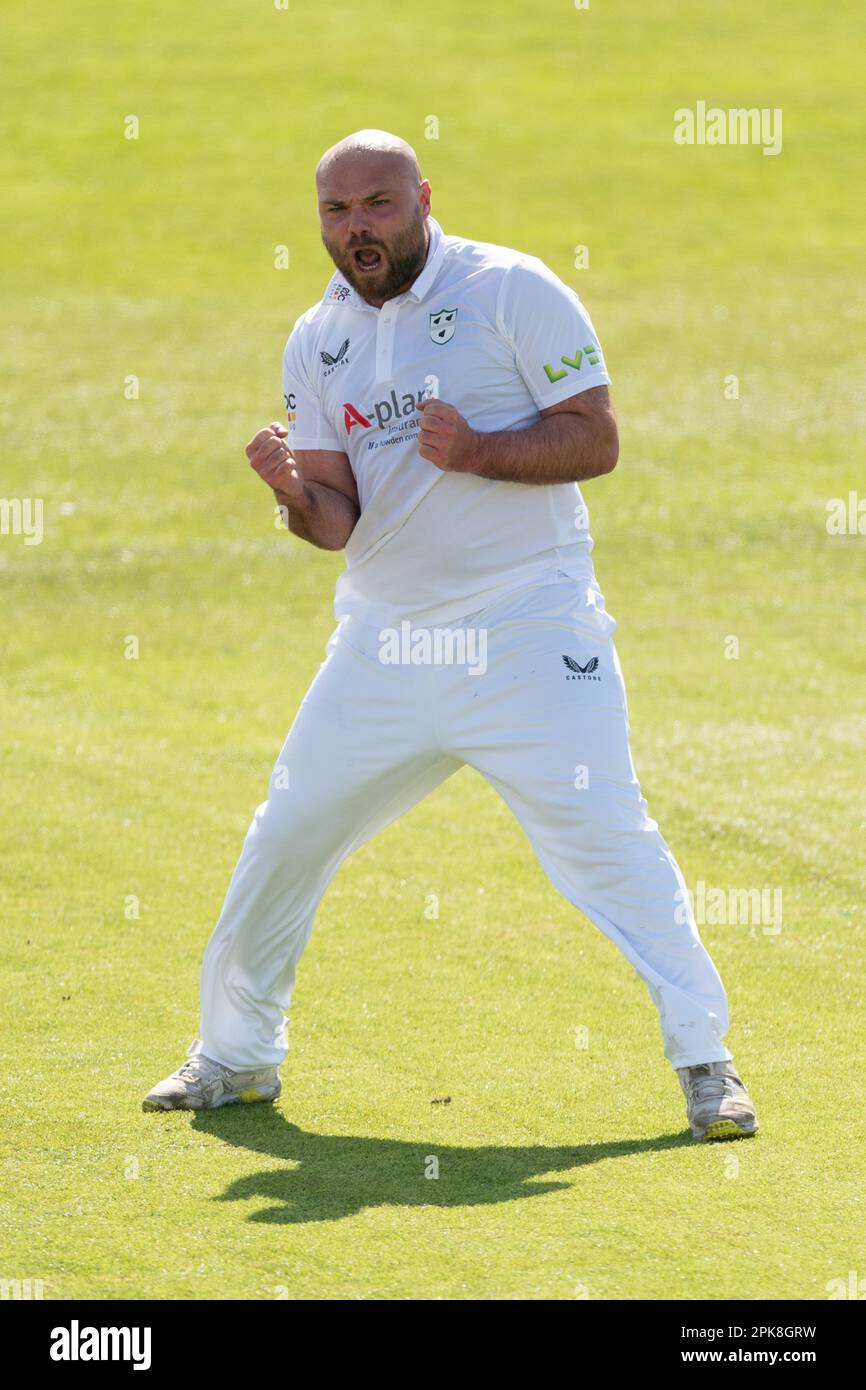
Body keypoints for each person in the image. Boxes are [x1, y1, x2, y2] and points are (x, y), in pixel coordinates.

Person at [144, 129, 758, 1141]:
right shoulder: (316, 336)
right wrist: (288, 493)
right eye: (337, 214)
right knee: (285, 834)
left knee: (608, 842)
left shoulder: (511, 290)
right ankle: (236, 1058)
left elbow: (594, 437)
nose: (358, 231)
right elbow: (334, 521)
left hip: (528, 629)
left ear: (421, 196)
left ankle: (705, 1065)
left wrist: (475, 448)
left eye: (377, 206)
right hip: (385, 644)